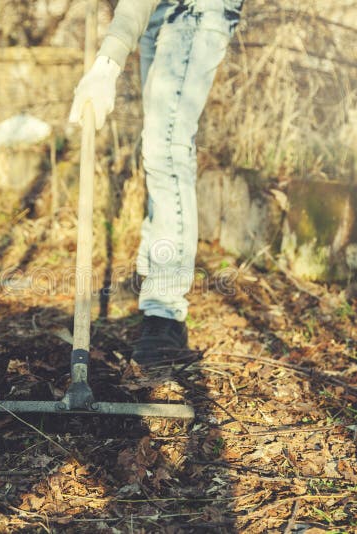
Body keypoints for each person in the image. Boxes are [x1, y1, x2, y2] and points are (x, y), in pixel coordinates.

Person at [69, 0, 244, 365]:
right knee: (156, 152)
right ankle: (154, 284)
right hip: (159, 15)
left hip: (194, 10)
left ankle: (165, 309)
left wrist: (108, 61)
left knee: (167, 148)